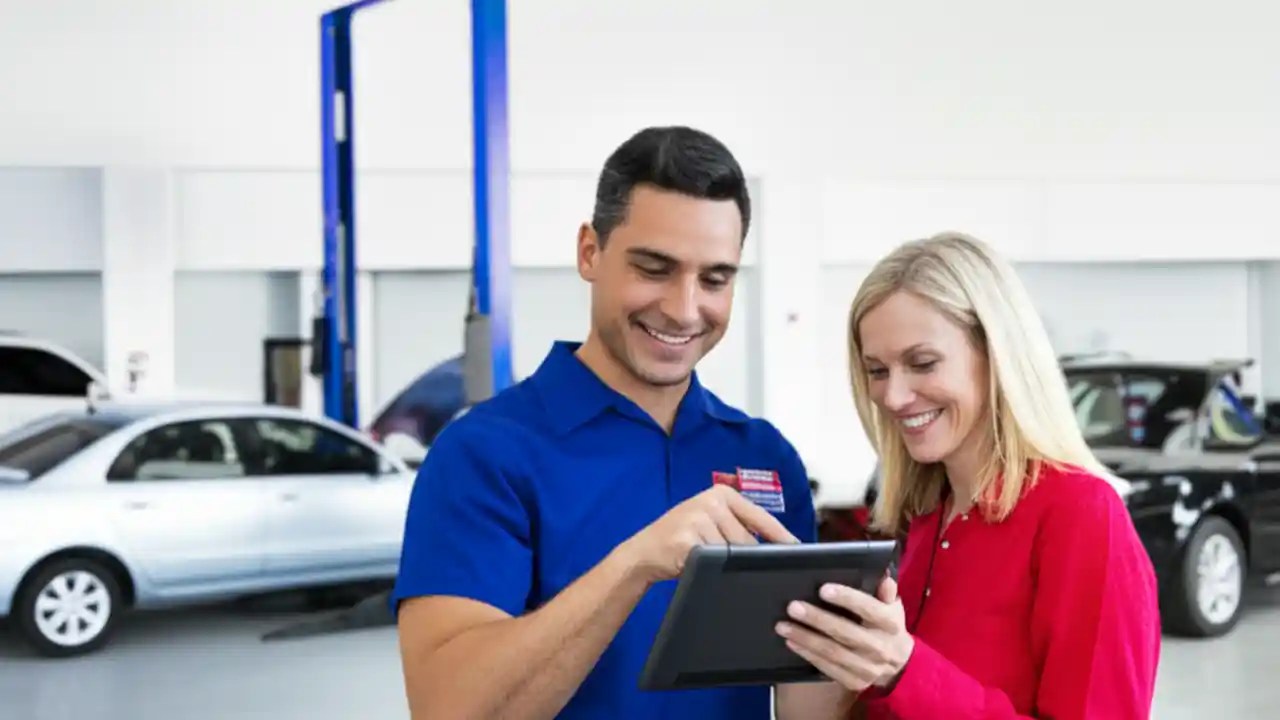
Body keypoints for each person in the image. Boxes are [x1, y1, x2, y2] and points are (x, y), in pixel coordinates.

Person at [392, 126, 842, 719]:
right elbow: (449, 710)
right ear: (590, 252)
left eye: (714, 279)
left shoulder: (765, 458)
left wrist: (855, 646)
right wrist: (634, 565)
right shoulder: (483, 456)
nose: (684, 309)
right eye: (655, 268)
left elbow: (803, 703)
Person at [773, 232, 1161, 718]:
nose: (893, 397)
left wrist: (903, 669)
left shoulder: (1081, 514)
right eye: (876, 370)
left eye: (922, 363)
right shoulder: (928, 516)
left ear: (995, 356)